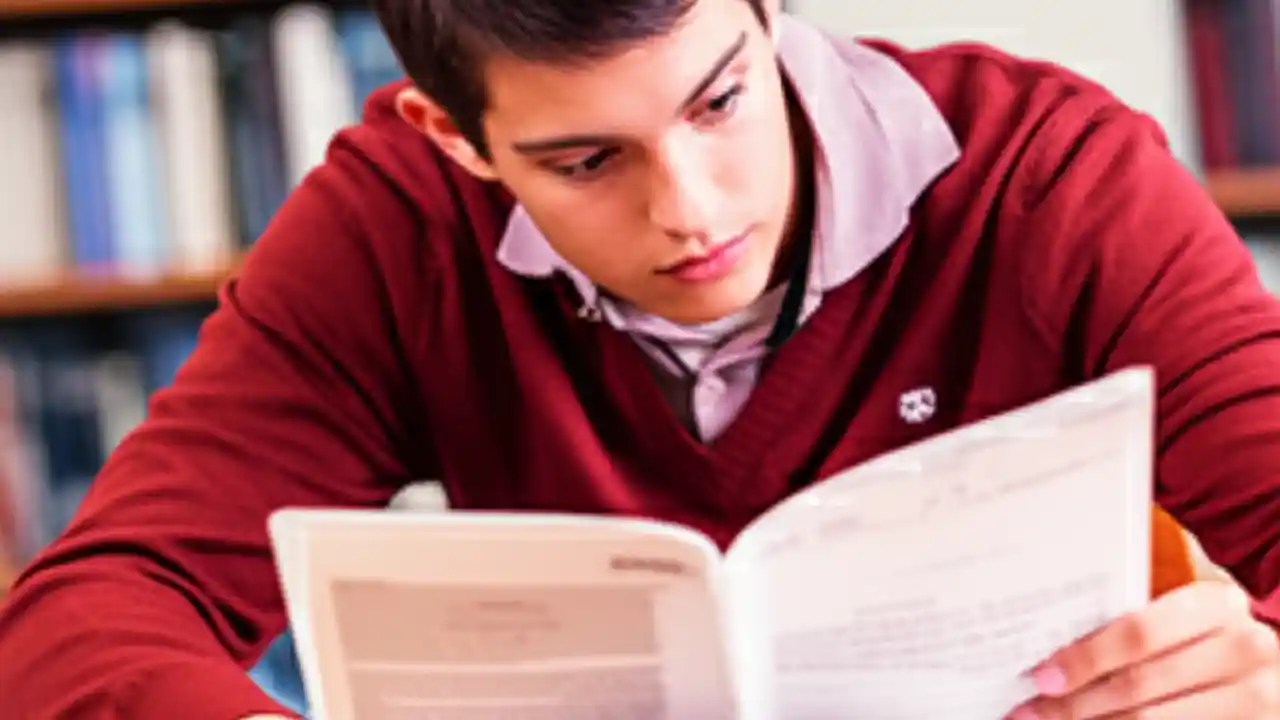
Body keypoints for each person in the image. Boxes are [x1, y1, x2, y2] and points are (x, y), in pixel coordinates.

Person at [1, 0, 1278, 717]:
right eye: (585, 161)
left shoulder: (1049, 176)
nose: (692, 210)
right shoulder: (394, 227)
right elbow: (85, 616)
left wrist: (1252, 681)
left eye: (719, 101)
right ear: (457, 140)